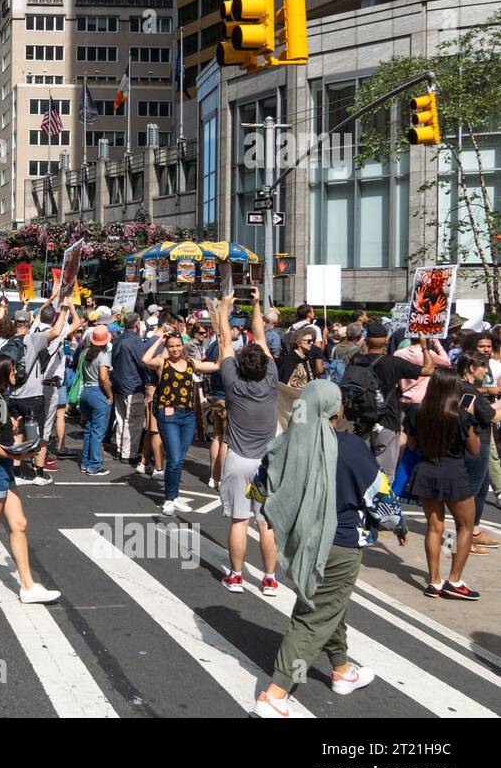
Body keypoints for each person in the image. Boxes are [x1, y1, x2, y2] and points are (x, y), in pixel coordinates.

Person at [252, 380, 406, 717]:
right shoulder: (350, 447)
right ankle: (276, 692)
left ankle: (342, 670)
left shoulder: (284, 445)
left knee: (326, 604)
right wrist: (399, 525)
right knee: (312, 617)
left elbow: (261, 492)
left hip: (299, 542)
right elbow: (381, 499)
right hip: (340, 545)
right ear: (336, 410)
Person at [0, 353, 61, 606]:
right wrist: (16, 452)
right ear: (1, 372)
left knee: (19, 523)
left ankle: (27, 586)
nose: (16, 373)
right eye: (12, 369)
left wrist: (12, 431)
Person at [206, 290, 280, 595]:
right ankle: (269, 579)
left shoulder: (232, 384)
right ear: (265, 364)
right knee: (265, 523)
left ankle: (236, 575)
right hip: (267, 462)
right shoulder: (272, 378)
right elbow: (261, 338)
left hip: (238, 459)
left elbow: (224, 341)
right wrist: (257, 304)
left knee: (239, 520)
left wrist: (224, 308)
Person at [408, 368, 483, 600]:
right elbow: (475, 450)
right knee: (465, 527)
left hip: (427, 470)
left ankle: (434, 582)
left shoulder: (417, 411)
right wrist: (469, 417)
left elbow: (412, 446)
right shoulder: (460, 415)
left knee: (434, 528)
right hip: (454, 473)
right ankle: (455, 580)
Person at [143, 327, 219, 515]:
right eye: (171, 346)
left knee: (179, 459)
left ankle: (174, 497)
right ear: (167, 347)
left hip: (188, 416)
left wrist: (223, 340)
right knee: (175, 458)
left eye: (178, 346)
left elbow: (216, 366)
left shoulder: (191, 363)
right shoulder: (162, 363)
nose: (175, 349)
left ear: (183, 346)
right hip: (167, 415)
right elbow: (145, 360)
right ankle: (169, 499)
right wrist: (159, 341)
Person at [346, 323, 434, 479]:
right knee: (386, 472)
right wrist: (424, 346)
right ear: (386, 340)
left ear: (366, 340)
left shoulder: (356, 360)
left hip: (362, 419)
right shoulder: (392, 362)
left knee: (364, 468)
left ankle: (364, 500)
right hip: (387, 420)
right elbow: (429, 370)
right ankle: (382, 502)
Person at [8, 304, 71, 485]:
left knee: (17, 433)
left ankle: (17, 471)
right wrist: (64, 310)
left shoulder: (9, 342)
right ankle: (39, 473)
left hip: (14, 395)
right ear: (28, 324)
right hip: (33, 395)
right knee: (39, 434)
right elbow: (56, 331)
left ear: (15, 324)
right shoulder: (33, 339)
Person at [456, 352, 499, 553]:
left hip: (478, 442)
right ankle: (465, 537)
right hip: (475, 444)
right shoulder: (470, 391)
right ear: (473, 368)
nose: (486, 371)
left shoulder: (465, 389)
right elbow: (491, 416)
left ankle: (473, 531)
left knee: (481, 488)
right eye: (483, 367)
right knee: (472, 491)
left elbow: (487, 411)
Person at [77, 324, 114, 477]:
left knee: (89, 429)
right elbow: (104, 378)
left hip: (86, 391)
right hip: (98, 392)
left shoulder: (85, 352)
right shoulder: (103, 355)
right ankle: (94, 465)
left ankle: (86, 462)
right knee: (98, 431)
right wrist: (110, 395)